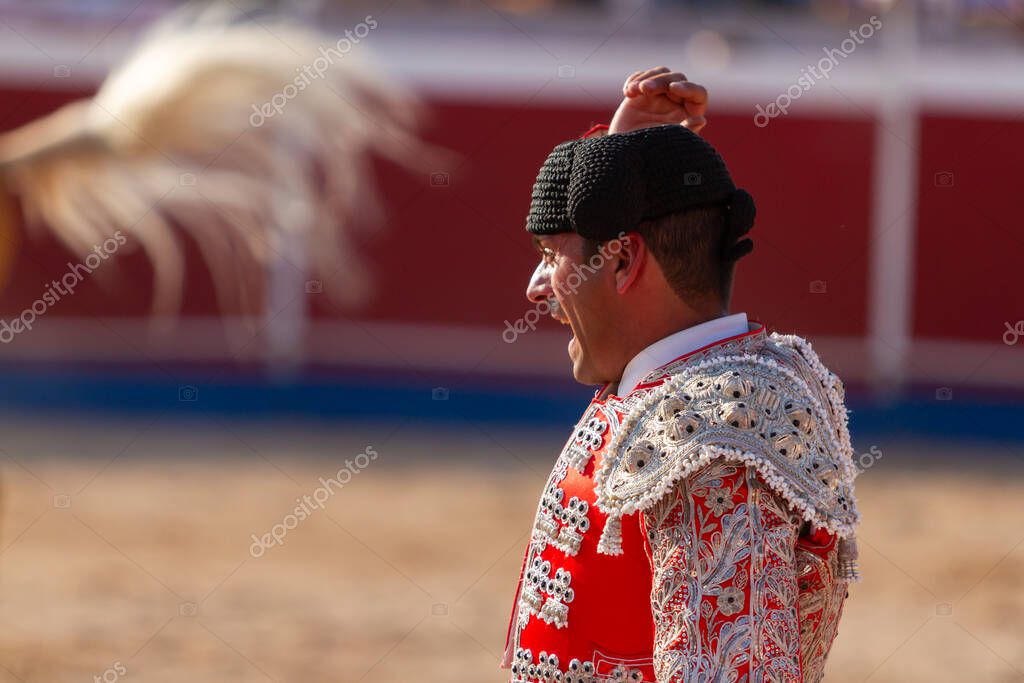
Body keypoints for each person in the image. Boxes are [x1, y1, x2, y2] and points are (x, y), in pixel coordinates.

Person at [501, 67, 860, 683]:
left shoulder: (711, 430)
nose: (536, 288)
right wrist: (619, 153)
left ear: (621, 261)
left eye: (551, 257)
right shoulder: (683, 386)